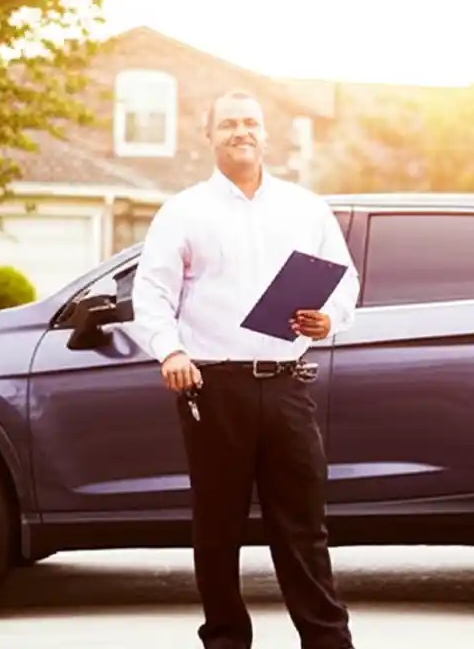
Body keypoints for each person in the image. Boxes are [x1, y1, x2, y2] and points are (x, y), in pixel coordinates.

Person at [129, 89, 359, 649]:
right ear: (208, 136)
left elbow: (344, 280)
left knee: (303, 527)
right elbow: (152, 291)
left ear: (265, 134)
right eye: (228, 123)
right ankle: (226, 641)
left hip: (287, 386)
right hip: (213, 388)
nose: (241, 131)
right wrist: (170, 351)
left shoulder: (305, 208)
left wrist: (328, 319)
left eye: (250, 123)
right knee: (217, 528)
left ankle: (328, 642)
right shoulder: (183, 210)